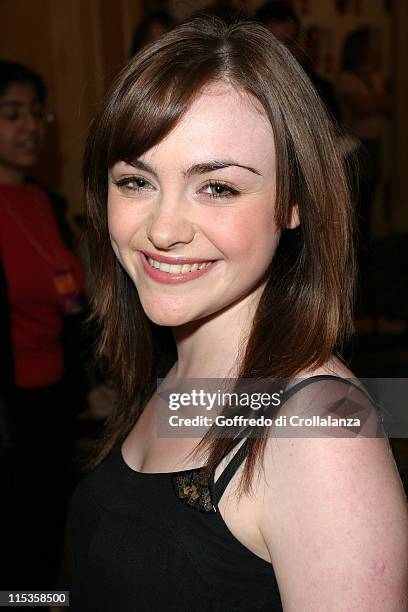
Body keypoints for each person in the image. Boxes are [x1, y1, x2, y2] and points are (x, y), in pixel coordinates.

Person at [70, 16, 408, 611]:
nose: (163, 229)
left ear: (293, 202)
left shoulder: (323, 427)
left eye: (217, 187)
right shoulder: (174, 375)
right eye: (136, 182)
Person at [0, 61, 88, 592]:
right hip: (7, 410)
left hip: (55, 402)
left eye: (36, 113)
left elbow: (71, 299)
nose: (30, 126)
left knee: (48, 535)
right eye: (11, 114)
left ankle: (39, 601)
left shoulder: (46, 203)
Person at [335, 26, 391, 262]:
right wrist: (377, 101)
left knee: (370, 198)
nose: (375, 51)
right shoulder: (346, 78)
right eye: (371, 46)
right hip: (354, 147)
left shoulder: (372, 77)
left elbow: (388, 105)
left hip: (374, 144)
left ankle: (365, 254)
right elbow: (363, 108)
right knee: (357, 204)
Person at [254, 1, 339, 122]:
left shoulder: (320, 90)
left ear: (300, 43)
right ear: (255, 44)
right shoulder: (240, 89)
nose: (282, 51)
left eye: (289, 42)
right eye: (272, 43)